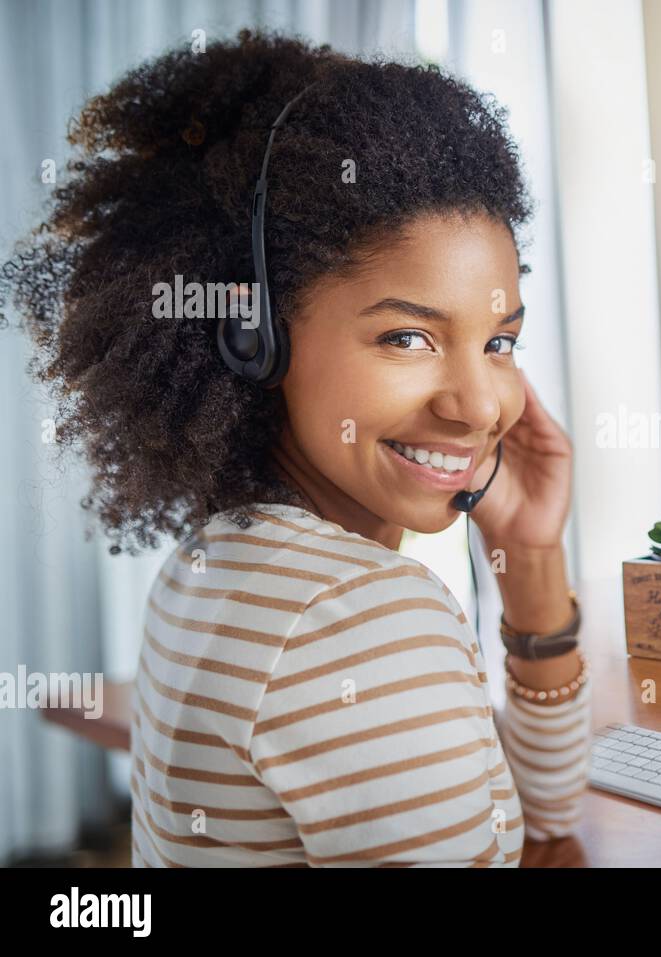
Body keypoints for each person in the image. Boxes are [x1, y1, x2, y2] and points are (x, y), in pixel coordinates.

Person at [1, 29, 589, 867]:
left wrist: (529, 556)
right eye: (408, 337)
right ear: (257, 338)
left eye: (499, 342)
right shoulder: (361, 620)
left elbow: (542, 811)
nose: (480, 404)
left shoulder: (214, 563)